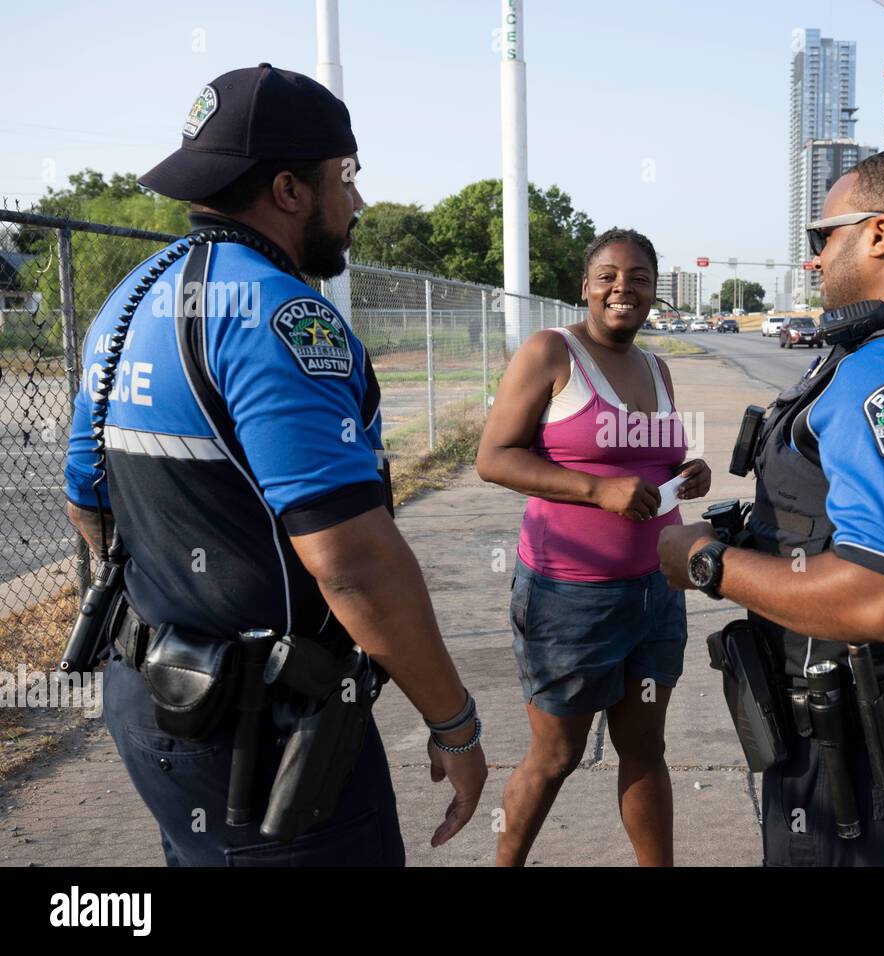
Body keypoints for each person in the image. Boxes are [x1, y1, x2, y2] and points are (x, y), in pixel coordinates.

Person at [63, 64, 486, 866]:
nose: (357, 204)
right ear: (290, 191)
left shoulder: (129, 300)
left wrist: (181, 594)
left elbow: (88, 498)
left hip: (157, 698)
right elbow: (353, 563)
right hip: (265, 732)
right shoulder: (281, 314)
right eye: (346, 179)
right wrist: (454, 723)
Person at [658, 145, 884, 866]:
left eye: (822, 237)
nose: (813, 259)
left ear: (881, 233)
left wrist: (704, 563)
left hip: (856, 745)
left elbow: (882, 598)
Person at [476, 228, 711, 866]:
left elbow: (648, 461)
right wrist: (594, 490)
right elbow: (493, 459)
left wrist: (686, 473)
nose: (622, 289)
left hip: (659, 590)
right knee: (556, 756)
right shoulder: (551, 353)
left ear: (655, 290)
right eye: (608, 275)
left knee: (645, 752)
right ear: (585, 286)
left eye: (638, 278)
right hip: (570, 594)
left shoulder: (657, 367)